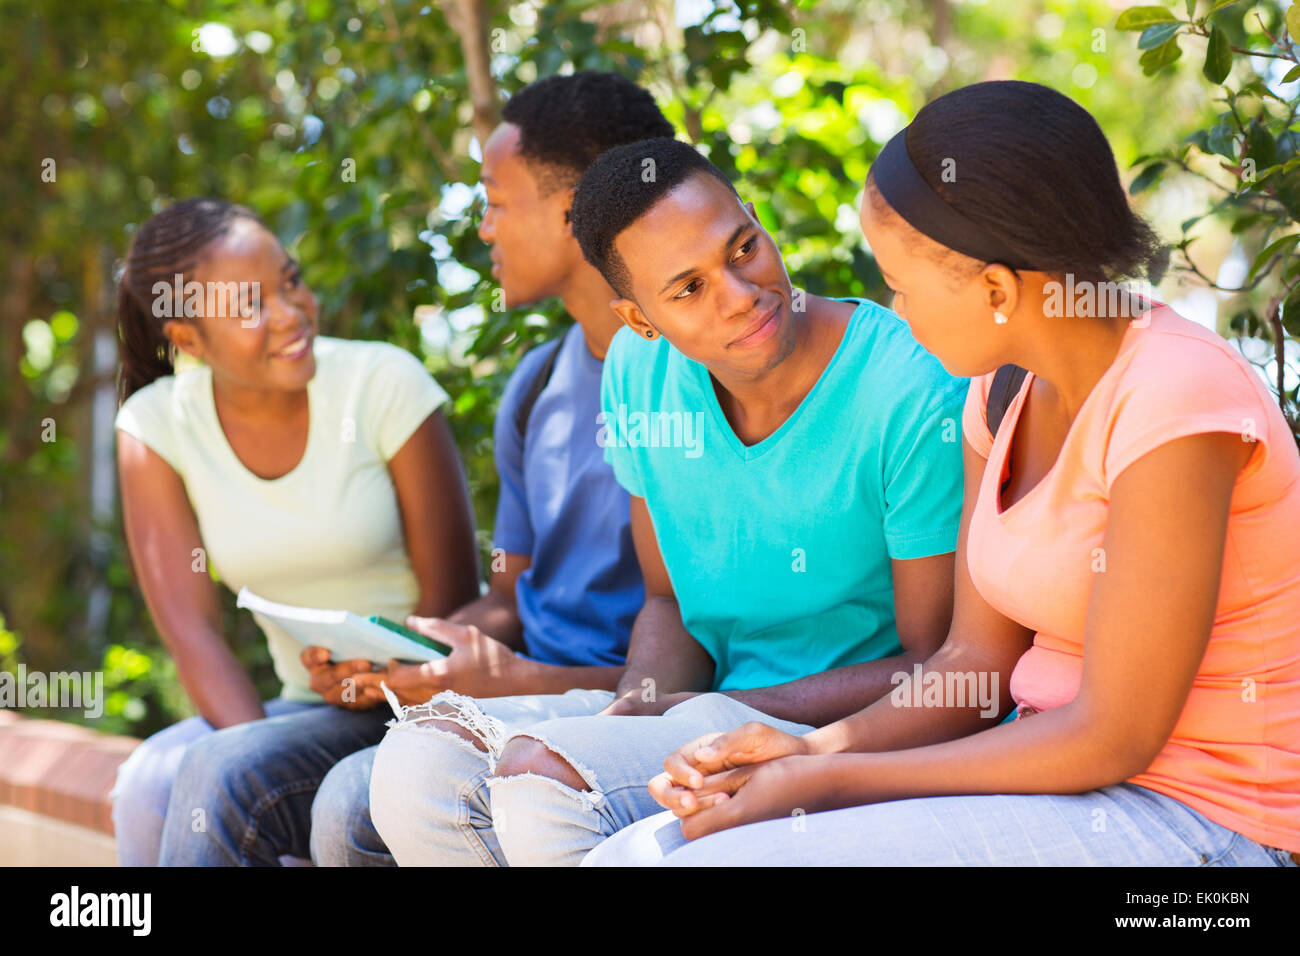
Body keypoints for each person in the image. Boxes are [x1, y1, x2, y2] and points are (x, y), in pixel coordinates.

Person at [587, 80, 1300, 868]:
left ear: (995, 289)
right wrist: (810, 754)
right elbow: (973, 667)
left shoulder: (1175, 396)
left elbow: (1113, 736)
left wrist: (830, 781)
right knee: (632, 857)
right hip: (1049, 781)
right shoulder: (1001, 396)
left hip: (1205, 825)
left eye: (900, 283)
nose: (892, 309)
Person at [379, 134, 968, 867]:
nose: (741, 295)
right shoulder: (639, 372)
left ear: (755, 217)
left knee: (544, 785)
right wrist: (636, 705)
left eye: (743, 248)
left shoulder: (907, 388)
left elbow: (938, 664)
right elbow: (665, 603)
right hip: (706, 706)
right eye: (688, 289)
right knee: (419, 765)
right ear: (641, 321)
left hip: (840, 725)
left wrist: (707, 715)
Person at [159, 71, 670, 866]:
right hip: (511, 693)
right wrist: (402, 653)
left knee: (349, 810)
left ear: (573, 215)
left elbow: (686, 650)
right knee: (219, 773)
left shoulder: (693, 379)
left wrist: (512, 678)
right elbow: (506, 598)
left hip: (608, 701)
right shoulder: (536, 387)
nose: (483, 226)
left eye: (496, 202)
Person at [110, 197, 479, 866]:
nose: (291, 313)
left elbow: (450, 603)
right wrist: (260, 769)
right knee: (147, 783)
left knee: (232, 774)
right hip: (310, 709)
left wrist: (255, 769)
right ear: (188, 338)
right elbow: (192, 631)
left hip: (427, 699)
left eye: (291, 280)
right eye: (251, 305)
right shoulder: (156, 425)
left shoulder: (381, 383)